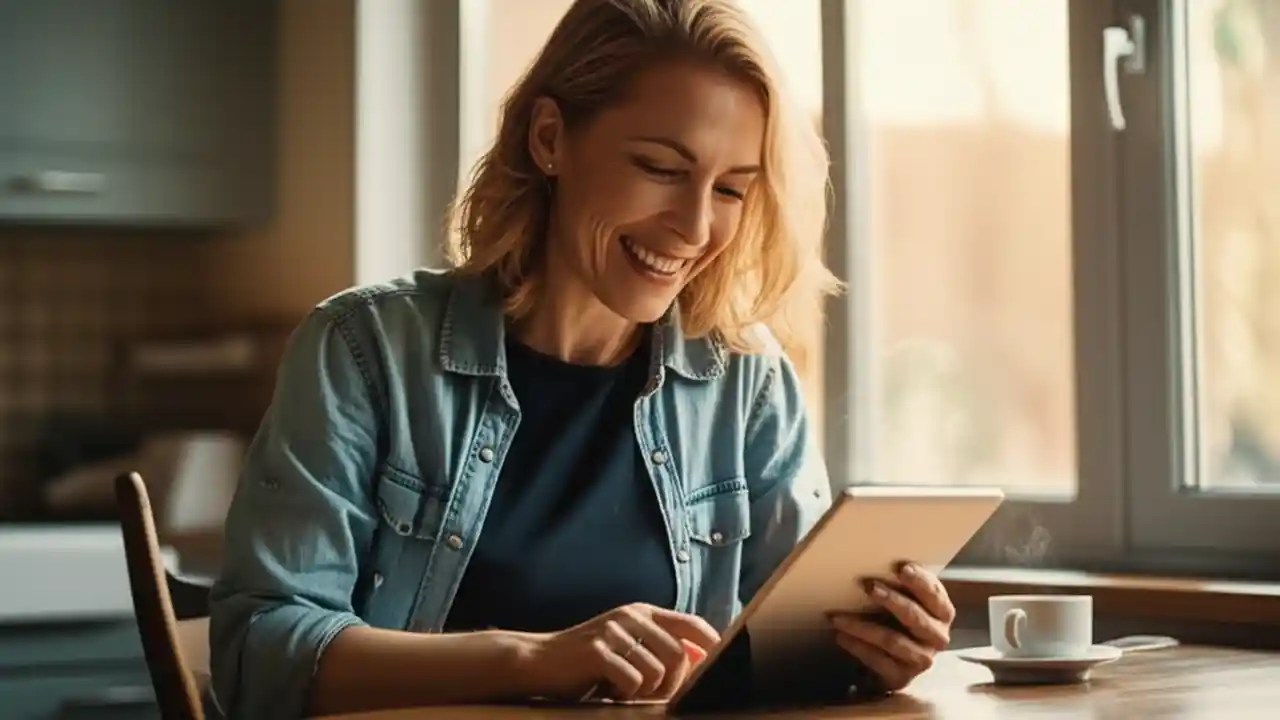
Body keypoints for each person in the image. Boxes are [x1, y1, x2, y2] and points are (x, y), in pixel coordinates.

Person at [209, 0, 957, 717]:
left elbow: (785, 660)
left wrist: (868, 656)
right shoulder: (365, 352)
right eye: (662, 169)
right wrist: (535, 661)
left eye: (730, 189)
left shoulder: (747, 383)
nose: (696, 227)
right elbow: (262, 657)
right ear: (549, 139)